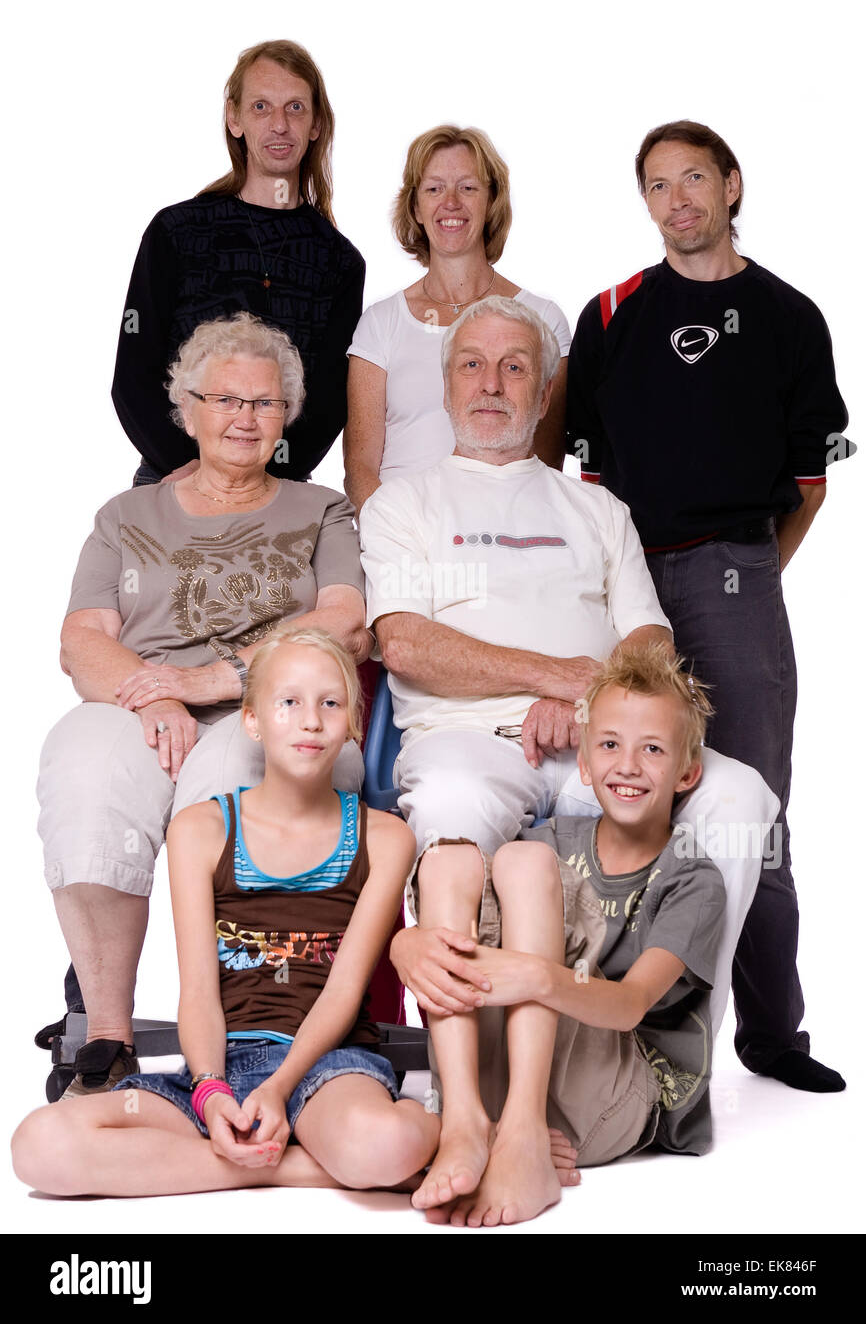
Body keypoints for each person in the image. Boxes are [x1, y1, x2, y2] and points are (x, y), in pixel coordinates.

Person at [361, 295, 776, 1032]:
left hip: (603, 742)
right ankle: (476, 1066)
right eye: (473, 365)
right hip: (469, 743)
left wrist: (592, 715)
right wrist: (559, 680)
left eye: (515, 368)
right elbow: (407, 645)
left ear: (546, 391)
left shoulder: (598, 509)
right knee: (453, 806)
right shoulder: (402, 504)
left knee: (739, 795)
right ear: (447, 384)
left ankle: (676, 1051)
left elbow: (649, 642)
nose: (491, 383)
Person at [566, 119, 851, 1093]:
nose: (676, 197)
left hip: (732, 571)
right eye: (655, 184)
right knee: (614, 796)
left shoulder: (786, 316)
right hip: (624, 574)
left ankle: (772, 1034)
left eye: (694, 177)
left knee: (752, 804)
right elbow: (584, 472)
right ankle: (613, 1027)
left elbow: (810, 481)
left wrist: (749, 570)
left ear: (732, 185)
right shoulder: (608, 315)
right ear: (642, 202)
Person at [38, 314, 368, 1097]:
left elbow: (343, 623)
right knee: (85, 764)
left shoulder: (319, 508)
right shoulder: (127, 514)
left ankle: (232, 1038)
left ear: (286, 415)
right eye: (225, 400)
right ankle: (109, 1035)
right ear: (187, 411)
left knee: (231, 779)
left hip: (276, 705)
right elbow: (82, 639)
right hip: (141, 703)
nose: (244, 417)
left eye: (264, 402)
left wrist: (215, 681)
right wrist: (149, 700)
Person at [15, 629, 442, 1198]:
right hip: (217, 1063)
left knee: (388, 1144)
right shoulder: (200, 830)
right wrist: (212, 1091)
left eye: (330, 703)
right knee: (38, 1147)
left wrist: (280, 1087)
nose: (310, 720)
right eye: (288, 702)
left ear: (353, 727)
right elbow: (197, 994)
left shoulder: (384, 837)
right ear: (252, 720)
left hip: (328, 1068)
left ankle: (332, 1149)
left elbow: (342, 994)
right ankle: (294, 1164)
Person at [390, 643, 726, 1227]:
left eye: (653, 749)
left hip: (613, 1095)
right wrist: (404, 945)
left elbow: (628, 1007)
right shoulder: (552, 838)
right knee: (453, 860)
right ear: (586, 764)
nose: (628, 765)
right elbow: (470, 931)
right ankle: (468, 1122)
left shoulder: (692, 878)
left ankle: (518, 1134)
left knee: (522, 864)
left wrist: (540, 977)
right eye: (610, 745)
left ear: (686, 772)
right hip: (522, 1078)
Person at [112, 39, 364, 486]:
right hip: (172, 479)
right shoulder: (176, 232)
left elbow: (328, 402)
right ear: (235, 118)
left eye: (295, 108)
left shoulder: (339, 263)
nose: (280, 125)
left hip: (279, 490)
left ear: (316, 124)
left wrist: (264, 482)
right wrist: (192, 473)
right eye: (262, 107)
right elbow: (133, 376)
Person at [344, 125, 570, 511]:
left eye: (467, 188)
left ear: (491, 201)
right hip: (399, 541)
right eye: (433, 189)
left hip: (505, 536)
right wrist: (393, 542)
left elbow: (546, 463)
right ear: (415, 206)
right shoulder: (381, 323)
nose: (450, 203)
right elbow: (360, 468)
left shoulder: (542, 319)